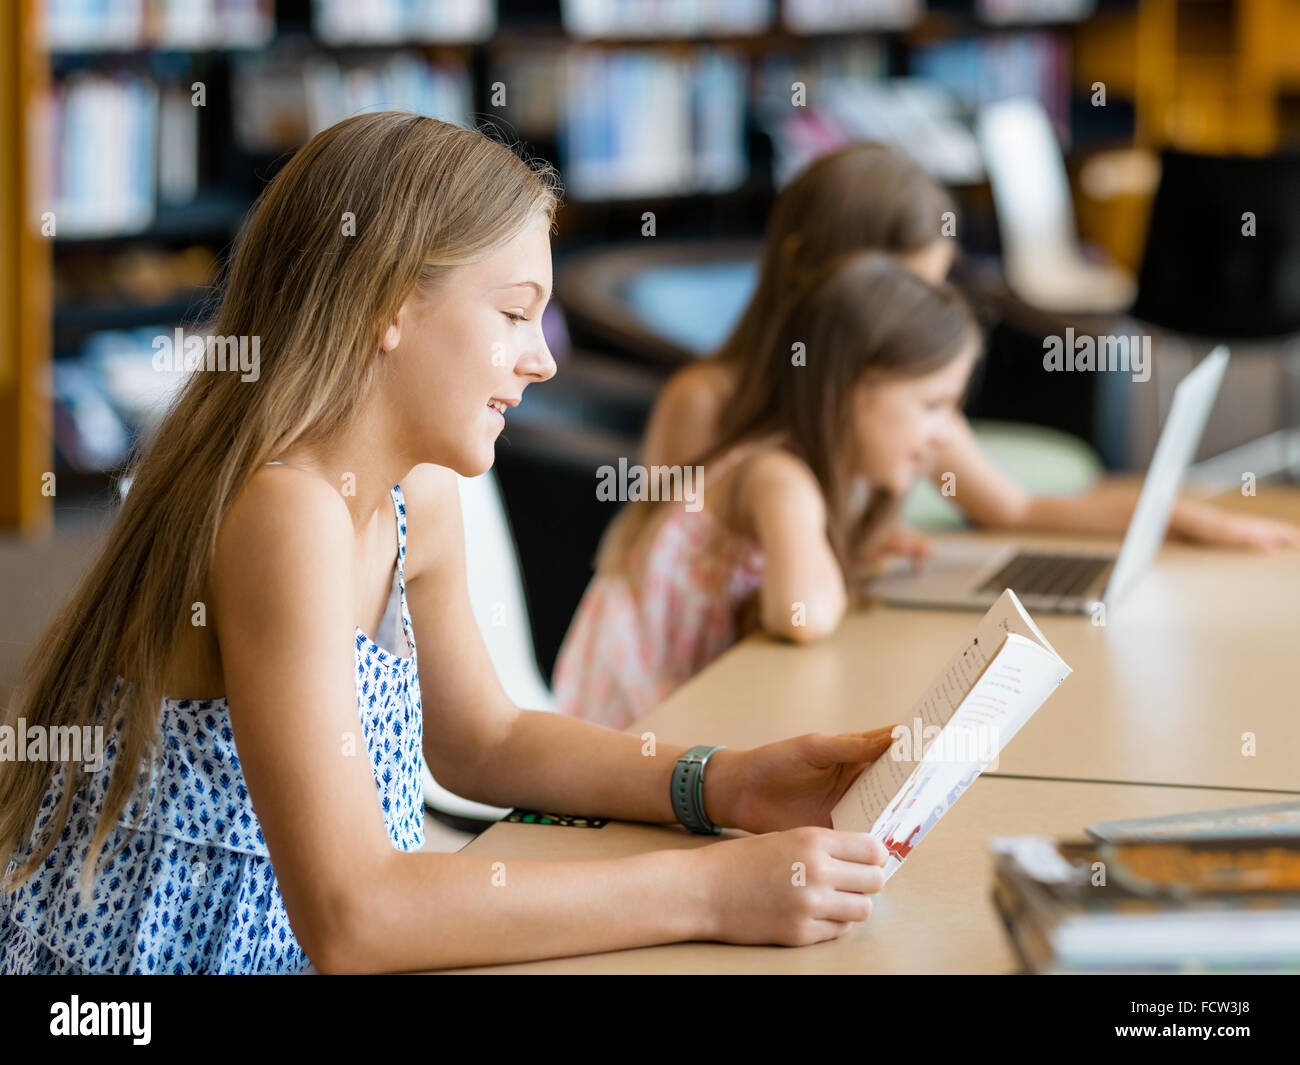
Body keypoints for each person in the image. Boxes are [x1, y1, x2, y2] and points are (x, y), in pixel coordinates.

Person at [0, 113, 898, 974]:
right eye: (515, 314)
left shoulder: (415, 493)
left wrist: (722, 783)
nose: (542, 360)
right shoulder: (285, 512)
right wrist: (710, 892)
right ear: (390, 305)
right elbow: (354, 915)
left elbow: (481, 737)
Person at [641, 141, 1300, 557]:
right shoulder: (705, 403)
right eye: (898, 290)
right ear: (806, 264)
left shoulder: (903, 399)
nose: (913, 327)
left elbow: (1016, 508)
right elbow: (661, 582)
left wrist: (1180, 519)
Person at [554, 251, 980, 729]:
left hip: (689, 721)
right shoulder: (778, 477)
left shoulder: (815, 475)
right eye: (932, 406)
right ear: (845, 392)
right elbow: (802, 617)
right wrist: (827, 563)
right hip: (633, 739)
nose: (945, 434)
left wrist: (851, 554)